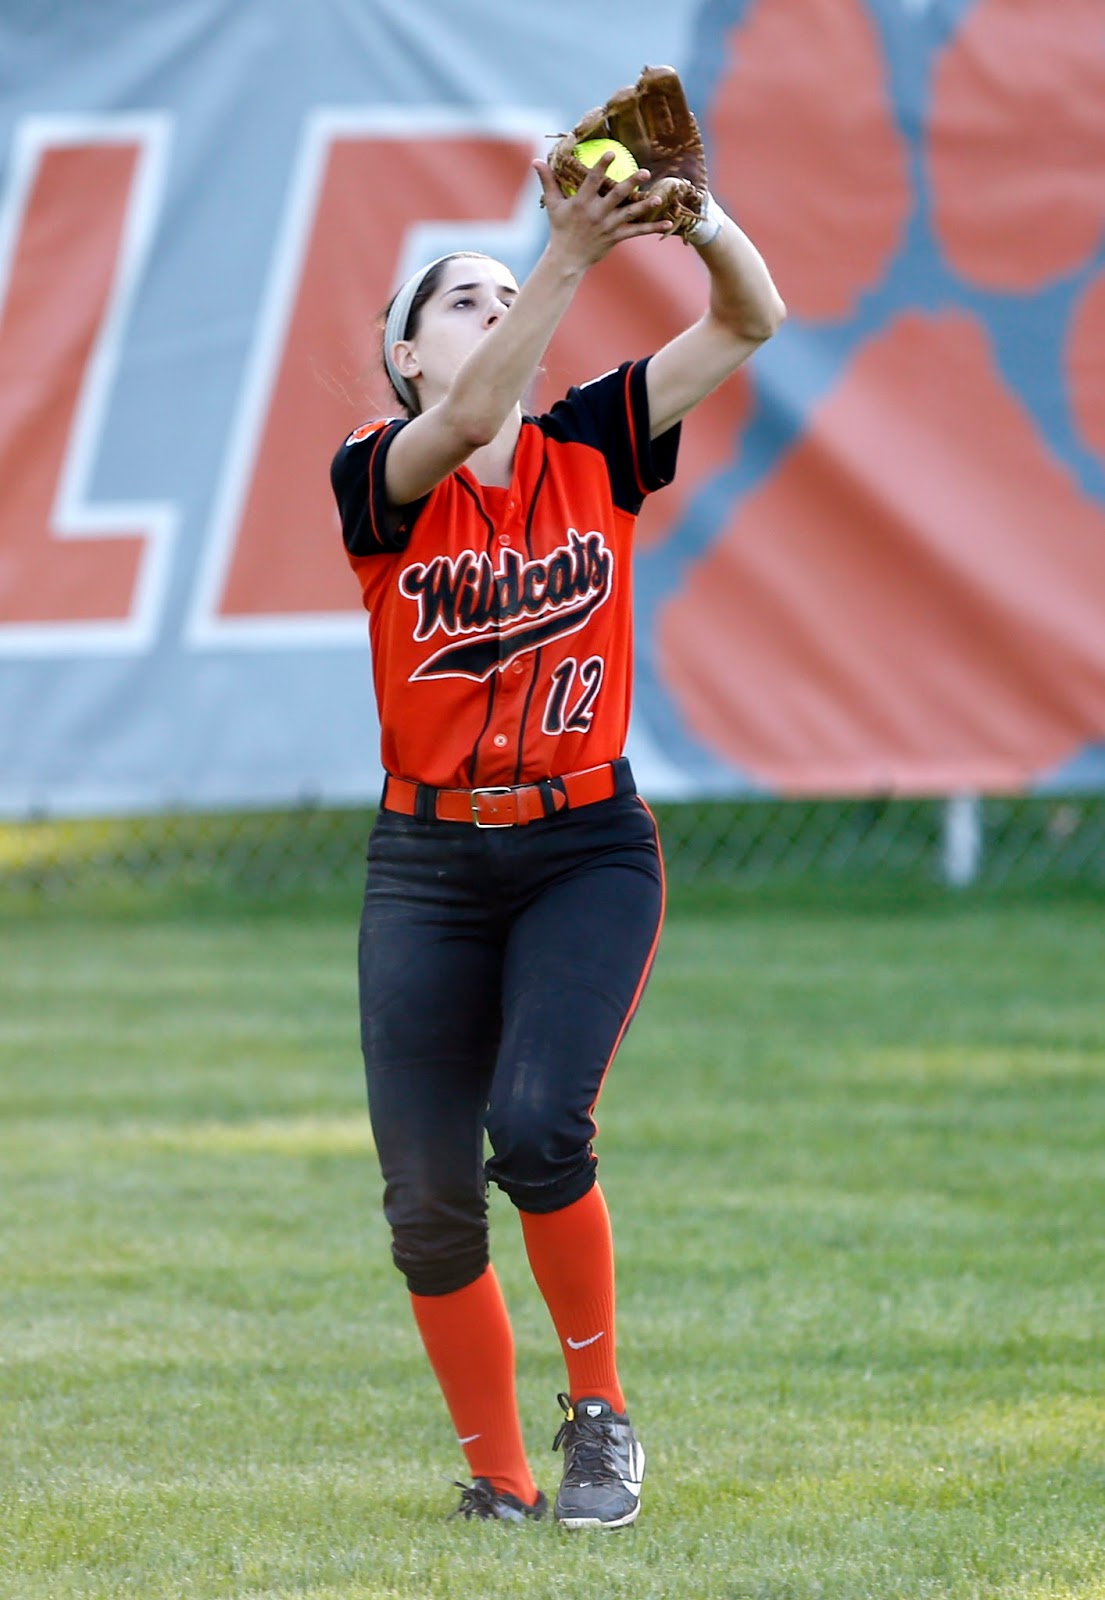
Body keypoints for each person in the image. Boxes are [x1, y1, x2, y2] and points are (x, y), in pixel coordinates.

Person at [330, 145, 785, 1530]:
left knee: (534, 1128)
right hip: (427, 867)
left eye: (497, 290)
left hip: (584, 845)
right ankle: (498, 1475)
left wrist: (691, 218)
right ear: (407, 362)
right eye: (455, 301)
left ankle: (602, 1420)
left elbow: (751, 316)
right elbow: (469, 420)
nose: (487, 305)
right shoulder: (379, 474)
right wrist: (568, 253)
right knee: (423, 1199)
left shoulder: (595, 438)